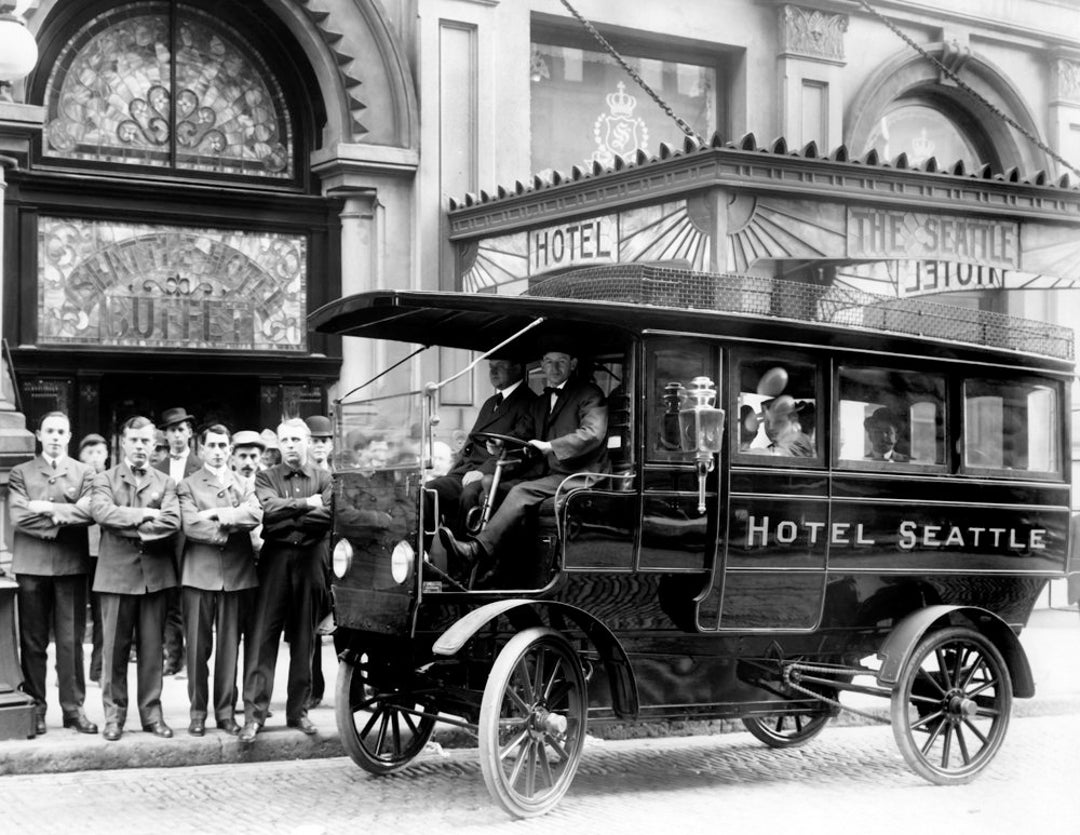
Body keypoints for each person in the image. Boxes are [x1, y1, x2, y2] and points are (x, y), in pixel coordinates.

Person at [440, 339, 608, 580]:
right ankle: (499, 565)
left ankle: (477, 550)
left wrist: (550, 446)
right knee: (490, 484)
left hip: (579, 475)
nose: (554, 368)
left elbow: (592, 434)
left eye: (561, 362)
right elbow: (521, 434)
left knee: (520, 491)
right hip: (550, 475)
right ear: (541, 365)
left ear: (573, 364)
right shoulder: (540, 402)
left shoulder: (589, 394)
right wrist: (500, 443)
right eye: (549, 362)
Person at [239, 418, 332, 743]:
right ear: (278, 444)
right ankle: (254, 715)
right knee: (263, 636)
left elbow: (328, 517)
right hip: (275, 563)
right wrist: (307, 505)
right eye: (285, 440)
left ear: (307, 441)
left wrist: (287, 517)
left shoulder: (325, 478)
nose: (290, 445)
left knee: (305, 640)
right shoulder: (266, 477)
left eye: (296, 439)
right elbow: (269, 513)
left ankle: (299, 711)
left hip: (311, 564)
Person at [91, 416, 181, 741]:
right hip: (115, 576)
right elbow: (102, 513)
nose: (141, 447)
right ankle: (114, 717)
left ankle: (152, 715)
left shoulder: (166, 482)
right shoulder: (104, 479)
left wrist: (127, 521)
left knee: (152, 650)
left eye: (147, 441)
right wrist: (145, 515)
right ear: (123, 442)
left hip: (155, 577)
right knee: (114, 650)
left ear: (154, 445)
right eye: (135, 440)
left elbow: (172, 521)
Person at [9, 412, 98, 736]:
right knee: (33, 643)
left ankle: (74, 709)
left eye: (61, 431)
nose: (56, 436)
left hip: (70, 565)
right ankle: (37, 708)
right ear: (39, 434)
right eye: (50, 431)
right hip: (31, 566)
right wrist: (66, 515)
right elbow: (19, 516)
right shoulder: (22, 472)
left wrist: (47, 509)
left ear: (70, 436)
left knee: (70, 642)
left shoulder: (84, 472)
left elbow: (89, 512)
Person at [177, 424, 262, 737]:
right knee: (198, 650)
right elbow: (191, 526)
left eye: (222, 446)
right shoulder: (187, 485)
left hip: (237, 576)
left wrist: (216, 514)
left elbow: (254, 515)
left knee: (230, 648)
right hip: (199, 575)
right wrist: (231, 520)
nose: (217, 451)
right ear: (201, 449)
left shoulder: (244, 482)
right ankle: (198, 712)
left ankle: (225, 712)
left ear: (229, 449)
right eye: (211, 445)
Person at [426, 357, 536, 535]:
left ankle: (464, 553)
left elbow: (517, 449)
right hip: (467, 469)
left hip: (498, 472)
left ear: (517, 368)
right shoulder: (490, 403)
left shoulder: (530, 403)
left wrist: (483, 471)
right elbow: (471, 442)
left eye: (499, 366)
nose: (492, 372)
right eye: (491, 367)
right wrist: (453, 470)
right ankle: (422, 553)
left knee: (469, 495)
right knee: (430, 490)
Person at [156, 407, 200, 677]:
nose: (176, 435)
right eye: (172, 430)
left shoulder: (200, 467)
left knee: (192, 602)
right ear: (165, 435)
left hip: (193, 543)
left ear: (190, 433)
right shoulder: (157, 469)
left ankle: (194, 660)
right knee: (170, 602)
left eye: (181, 429)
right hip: (165, 544)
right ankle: (174, 658)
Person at [303, 415, 334, 709]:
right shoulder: (304, 477)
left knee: (345, 624)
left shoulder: (338, 474)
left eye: (324, 440)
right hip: (312, 553)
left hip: (339, 555)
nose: (319, 446)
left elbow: (339, 512)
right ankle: (313, 686)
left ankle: (355, 690)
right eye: (314, 441)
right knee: (311, 622)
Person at [78, 432, 109, 686]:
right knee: (75, 613)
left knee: (102, 614)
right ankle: (70, 667)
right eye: (89, 453)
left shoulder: (111, 480)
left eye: (99, 452)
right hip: (78, 553)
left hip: (104, 555)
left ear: (107, 455)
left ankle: (98, 669)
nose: (95, 458)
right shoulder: (75, 479)